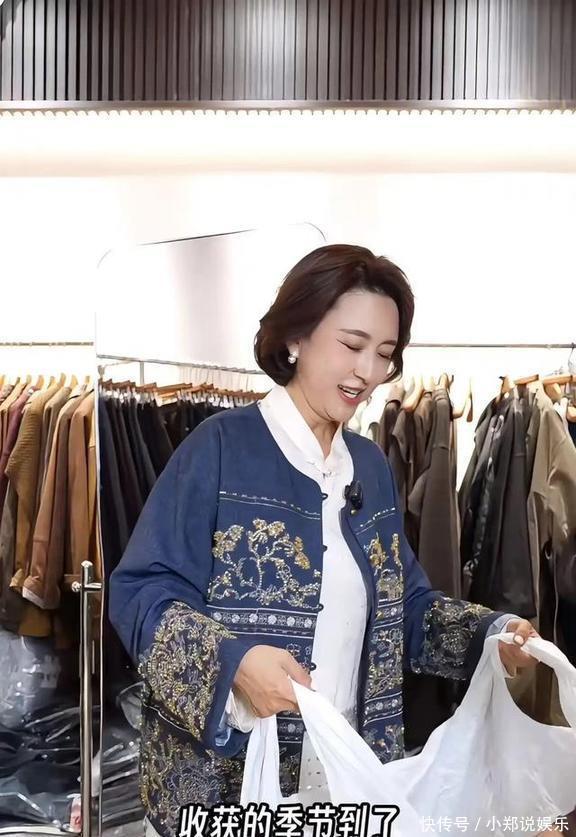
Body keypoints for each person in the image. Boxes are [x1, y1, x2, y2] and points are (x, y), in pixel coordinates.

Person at [108, 244, 538, 837]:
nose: (367, 372)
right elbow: (141, 592)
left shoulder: (369, 466)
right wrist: (234, 665)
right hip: (225, 785)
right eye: (352, 345)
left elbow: (406, 605)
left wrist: (491, 634)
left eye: (384, 354)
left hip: (348, 772)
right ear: (295, 338)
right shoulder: (219, 448)